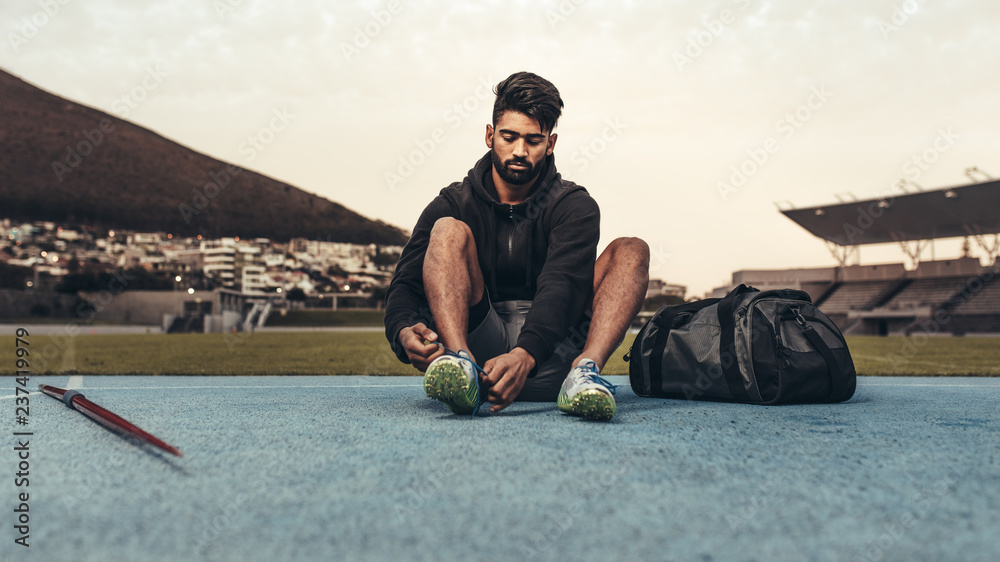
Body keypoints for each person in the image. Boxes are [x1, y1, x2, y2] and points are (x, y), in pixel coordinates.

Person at [383, 71, 649, 421]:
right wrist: (403, 330)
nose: (520, 151)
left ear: (550, 144)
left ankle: (585, 373)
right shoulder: (452, 202)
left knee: (632, 250)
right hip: (482, 355)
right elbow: (404, 285)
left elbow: (561, 285)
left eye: (533, 140)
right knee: (447, 230)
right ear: (490, 135)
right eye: (509, 137)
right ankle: (460, 367)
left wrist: (525, 353)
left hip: (555, 354)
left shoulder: (573, 206)